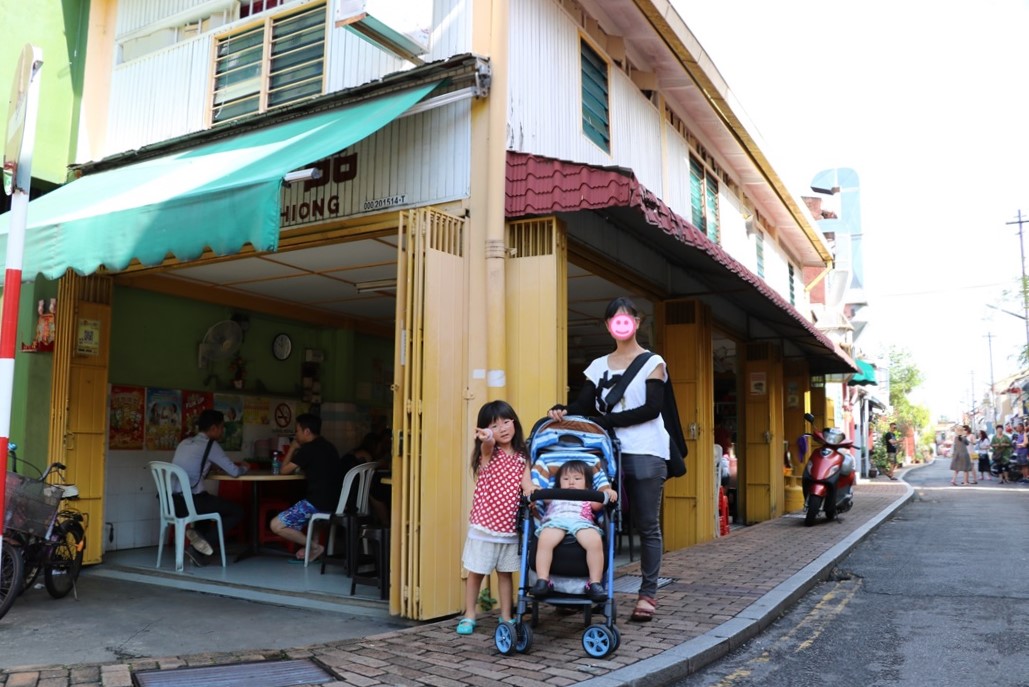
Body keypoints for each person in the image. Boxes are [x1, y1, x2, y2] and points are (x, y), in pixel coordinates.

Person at [548, 296, 668, 622]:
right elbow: (582, 406)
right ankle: (585, 588)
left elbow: (651, 409)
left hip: (645, 451)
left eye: (627, 318)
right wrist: (562, 411)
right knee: (596, 521)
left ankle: (647, 594)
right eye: (615, 319)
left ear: (637, 323)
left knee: (647, 525)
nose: (621, 324)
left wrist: (605, 421)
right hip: (603, 454)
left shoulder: (652, 362)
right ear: (607, 325)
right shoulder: (598, 366)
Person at [457, 400, 534, 636]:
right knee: (476, 572)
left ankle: (506, 615)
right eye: (494, 425)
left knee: (505, 573)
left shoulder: (523, 455)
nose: (502, 428)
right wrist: (488, 437)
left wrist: (533, 492)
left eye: (506, 422)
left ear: (515, 422)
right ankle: (470, 614)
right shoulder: (489, 453)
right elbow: (488, 444)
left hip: (509, 528)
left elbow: (526, 484)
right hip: (485, 526)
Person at [529, 459, 617, 602]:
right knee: (545, 539)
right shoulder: (555, 494)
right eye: (565, 479)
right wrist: (535, 489)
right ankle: (543, 580)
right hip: (556, 521)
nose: (571, 482)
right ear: (559, 483)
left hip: (581, 522)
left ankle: (594, 583)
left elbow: (599, 504)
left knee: (595, 541)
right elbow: (541, 495)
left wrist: (607, 491)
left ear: (587, 483)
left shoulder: (589, 495)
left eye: (577, 478)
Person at [171, 409, 247, 565]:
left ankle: (198, 538)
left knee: (209, 504)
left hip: (172, 502)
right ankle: (200, 548)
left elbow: (193, 464)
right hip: (190, 502)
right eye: (222, 427)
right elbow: (234, 472)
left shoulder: (184, 443)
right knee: (237, 511)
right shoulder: (211, 444)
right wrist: (246, 467)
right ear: (213, 428)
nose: (222, 431)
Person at [269, 413, 345, 562]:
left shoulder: (308, 449)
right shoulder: (329, 446)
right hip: (335, 503)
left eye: (297, 431)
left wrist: (292, 448)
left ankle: (314, 547)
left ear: (307, 431)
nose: (295, 435)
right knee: (308, 503)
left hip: (317, 504)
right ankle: (314, 547)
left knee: (276, 525)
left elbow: (283, 470)